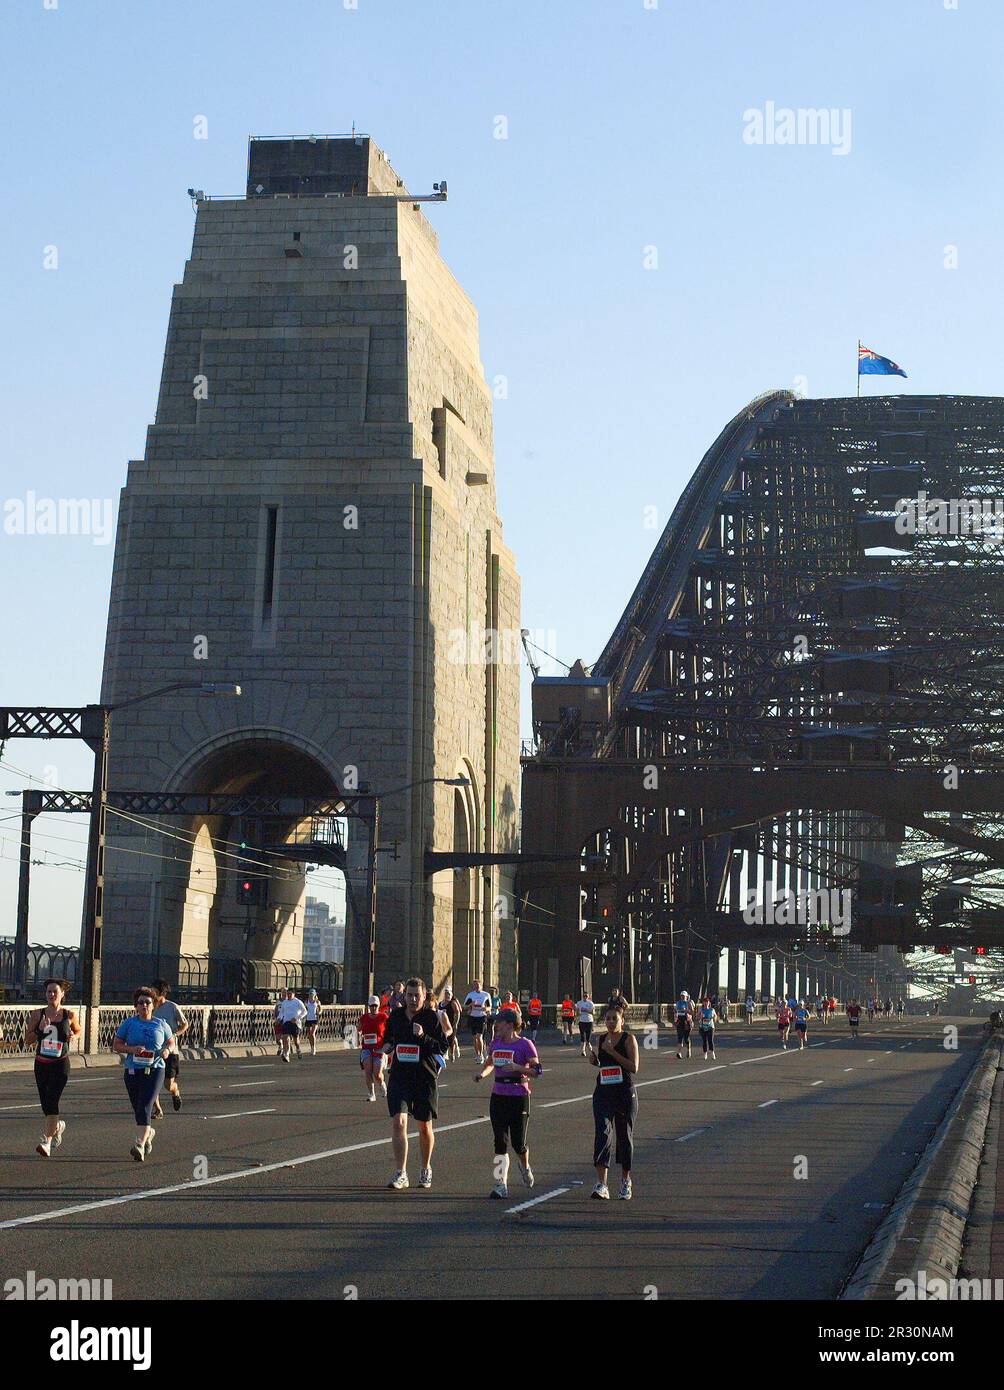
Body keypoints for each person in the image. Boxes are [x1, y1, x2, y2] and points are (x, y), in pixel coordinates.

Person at [383, 978, 450, 1190]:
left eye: (417, 996)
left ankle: (425, 1168)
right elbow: (389, 1038)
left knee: (424, 1127)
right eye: (409, 995)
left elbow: (442, 1046)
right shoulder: (396, 1016)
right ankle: (401, 1173)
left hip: (424, 1078)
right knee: (399, 1123)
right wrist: (385, 1049)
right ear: (404, 996)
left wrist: (423, 1037)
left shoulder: (430, 1017)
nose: (413, 999)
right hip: (400, 1077)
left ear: (424, 997)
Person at [474, 1007, 541, 1198]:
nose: (496, 1026)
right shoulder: (495, 1043)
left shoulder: (525, 1045)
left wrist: (518, 1067)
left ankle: (525, 1165)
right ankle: (500, 1184)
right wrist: (481, 1074)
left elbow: (538, 1071)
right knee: (499, 1141)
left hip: (519, 1095)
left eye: (500, 1023)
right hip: (499, 1095)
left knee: (518, 1143)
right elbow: (490, 1063)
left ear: (510, 1025)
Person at [112, 987, 174, 1162]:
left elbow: (171, 1042)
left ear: (153, 1005)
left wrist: (167, 1051)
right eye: (141, 1002)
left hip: (155, 1069)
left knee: (146, 1105)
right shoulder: (129, 1024)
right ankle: (148, 1133)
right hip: (133, 1069)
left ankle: (139, 1144)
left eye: (147, 1002)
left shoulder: (161, 1024)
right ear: (136, 1005)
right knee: (138, 1107)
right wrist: (132, 1049)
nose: (144, 1005)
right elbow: (117, 1044)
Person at [587, 1003, 639, 1200]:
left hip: (624, 1093)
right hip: (603, 1091)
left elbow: (634, 1067)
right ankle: (602, 1184)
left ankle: (625, 1181)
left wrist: (613, 1052)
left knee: (624, 1136)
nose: (610, 1022)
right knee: (602, 1133)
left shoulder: (628, 1039)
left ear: (622, 1021)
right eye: (607, 1019)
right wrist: (595, 1061)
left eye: (614, 1019)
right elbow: (604, 1064)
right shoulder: (602, 1039)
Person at [25, 977, 80, 1158]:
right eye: (48, 991)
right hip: (42, 1063)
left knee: (52, 1100)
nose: (51, 994)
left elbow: (78, 1031)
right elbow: (28, 1040)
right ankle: (57, 1127)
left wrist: (73, 1036)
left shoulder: (68, 1015)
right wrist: (40, 1029)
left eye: (55, 991)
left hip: (60, 1063)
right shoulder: (37, 1014)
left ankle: (46, 1142)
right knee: (45, 1104)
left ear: (62, 994)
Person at [151, 980, 188, 1117]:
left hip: (170, 1052)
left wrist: (174, 1034)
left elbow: (185, 1024)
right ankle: (158, 1110)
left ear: (161, 993)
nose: (152, 993)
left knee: (167, 1084)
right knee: (152, 1083)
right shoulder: (150, 1007)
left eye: (154, 990)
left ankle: (175, 1092)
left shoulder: (172, 1007)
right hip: (154, 1051)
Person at [358, 994, 389, 1102]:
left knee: (377, 1074)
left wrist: (388, 1042)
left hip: (379, 1048)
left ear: (378, 1006)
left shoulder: (383, 1017)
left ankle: (382, 1084)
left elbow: (389, 1030)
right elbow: (359, 1029)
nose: (373, 1008)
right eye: (371, 1006)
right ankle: (371, 1094)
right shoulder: (364, 1017)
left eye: (375, 1006)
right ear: (368, 1006)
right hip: (367, 1048)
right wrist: (357, 1038)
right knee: (368, 1070)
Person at [463, 979, 492, 1064]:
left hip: (482, 1017)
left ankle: (481, 1055)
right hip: (472, 1017)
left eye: (478, 985)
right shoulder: (470, 995)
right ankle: (478, 1054)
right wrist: (471, 1005)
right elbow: (464, 1006)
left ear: (481, 985)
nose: (476, 987)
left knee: (479, 1036)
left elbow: (490, 1007)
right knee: (475, 1038)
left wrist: (485, 1008)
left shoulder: (486, 995)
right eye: (474, 986)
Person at [276, 986, 307, 1061]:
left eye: (290, 994)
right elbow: (281, 1012)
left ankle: (298, 1049)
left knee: (296, 1041)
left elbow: (305, 1011)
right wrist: (279, 1019)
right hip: (286, 1022)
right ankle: (286, 1054)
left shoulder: (298, 1002)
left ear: (294, 994)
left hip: (295, 1023)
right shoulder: (284, 1002)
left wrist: (297, 1018)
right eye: (288, 994)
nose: (289, 995)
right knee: (285, 1038)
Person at [441, 986, 462, 1061]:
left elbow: (458, 1012)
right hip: (443, 1025)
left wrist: (456, 1023)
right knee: (444, 1038)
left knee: (451, 1039)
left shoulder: (452, 1003)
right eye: (446, 994)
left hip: (451, 1024)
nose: (447, 995)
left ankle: (452, 1053)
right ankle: (444, 1053)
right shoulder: (441, 1003)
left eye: (448, 994)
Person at [674, 991, 694, 1060]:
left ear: (686, 996)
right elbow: (675, 1011)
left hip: (686, 1021)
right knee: (680, 1037)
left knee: (686, 1038)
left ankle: (688, 1050)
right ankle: (679, 1052)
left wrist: (686, 1011)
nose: (682, 997)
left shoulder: (689, 1003)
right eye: (681, 996)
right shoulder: (678, 1003)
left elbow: (692, 1012)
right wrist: (675, 1017)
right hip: (680, 1020)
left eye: (683, 996)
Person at [303, 988, 322, 1055]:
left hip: (314, 1019)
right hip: (308, 1019)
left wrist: (319, 1013)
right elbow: (304, 1009)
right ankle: (311, 1047)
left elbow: (320, 1009)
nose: (311, 995)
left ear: (314, 995)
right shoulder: (306, 1001)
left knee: (312, 1033)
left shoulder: (317, 1002)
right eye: (310, 994)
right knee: (309, 1034)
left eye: (312, 994)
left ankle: (314, 1048)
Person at [576, 992, 595, 1056]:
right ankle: (583, 1051)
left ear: (588, 996)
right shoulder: (579, 1003)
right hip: (582, 1021)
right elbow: (577, 1013)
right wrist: (578, 1012)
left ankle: (591, 1049)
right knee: (582, 1037)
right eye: (584, 996)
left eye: (586, 996)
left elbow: (593, 1012)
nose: (585, 997)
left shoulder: (590, 1003)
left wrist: (586, 1010)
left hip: (589, 1021)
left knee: (588, 1039)